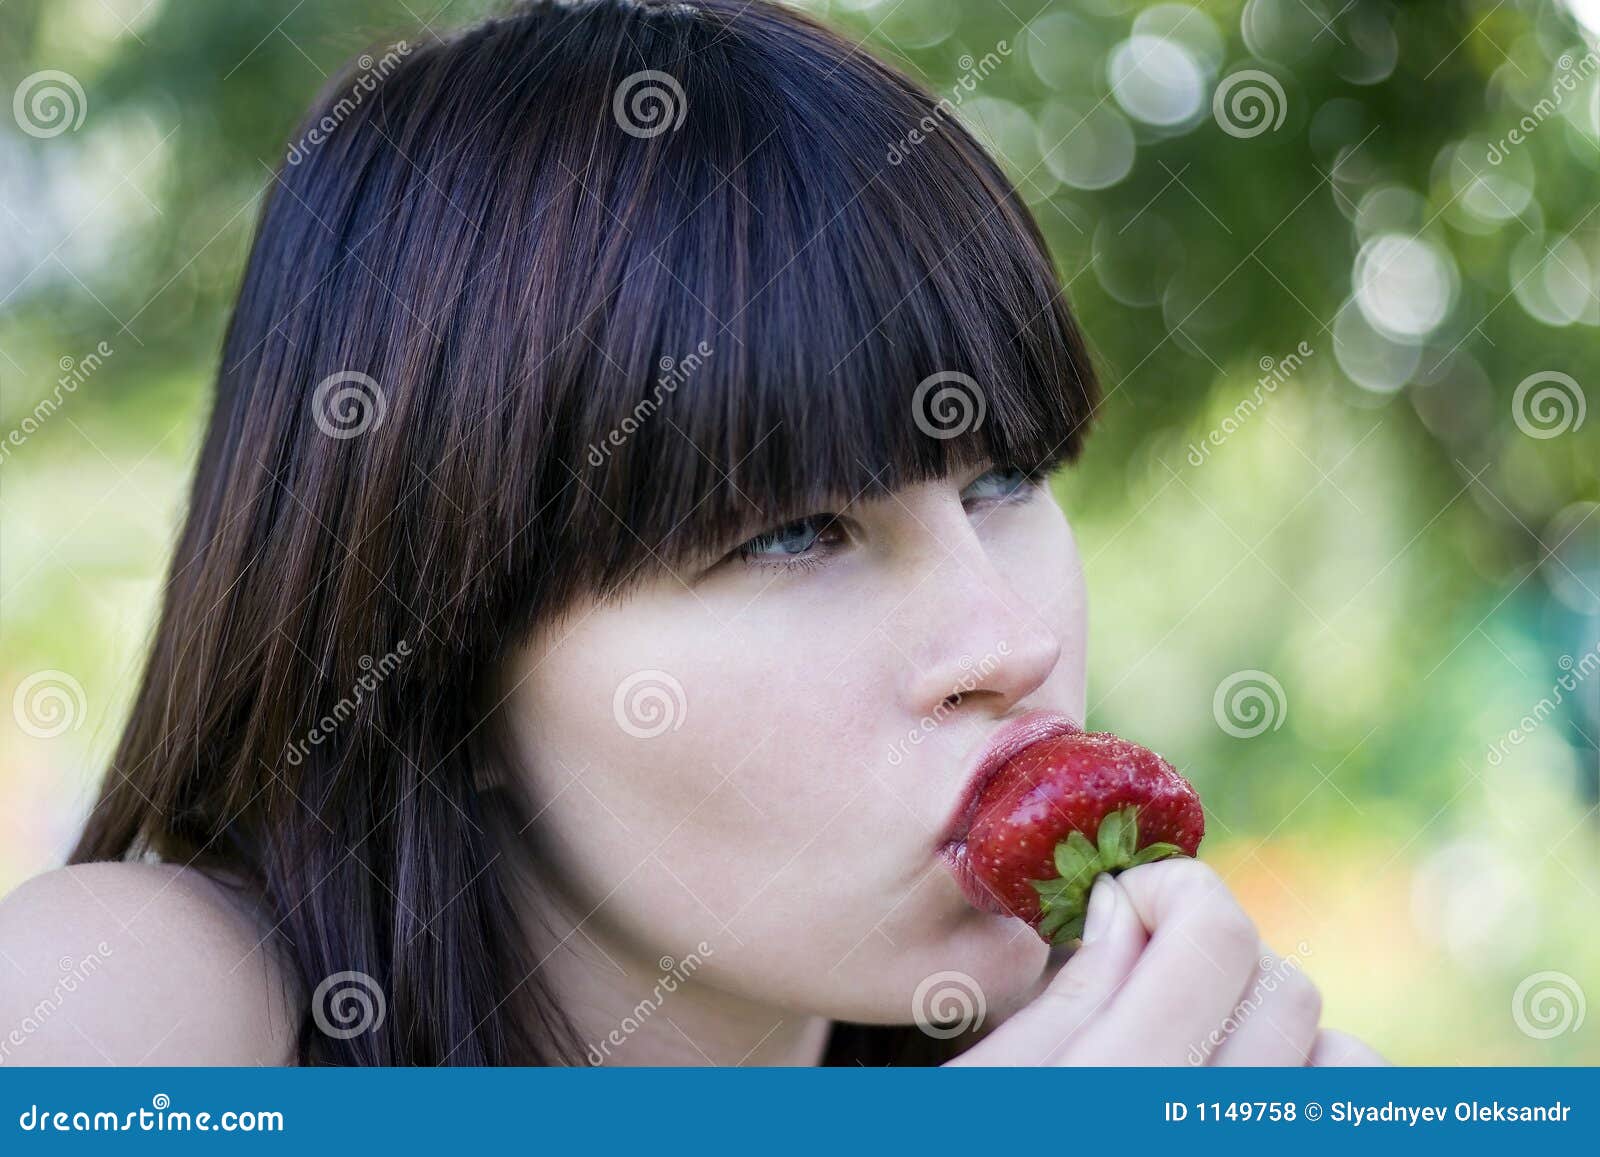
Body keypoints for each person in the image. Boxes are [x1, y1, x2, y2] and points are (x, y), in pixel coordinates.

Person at [0, 0, 1383, 1067]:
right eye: (791, 534)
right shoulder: (146, 994)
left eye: (1005, 477)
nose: (1009, 643)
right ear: (439, 662)